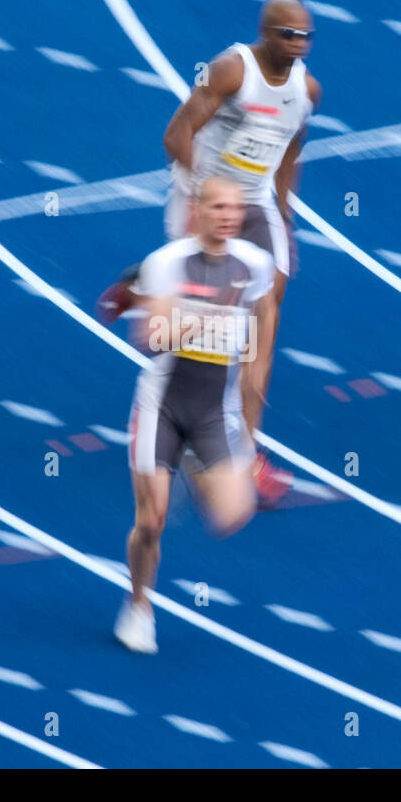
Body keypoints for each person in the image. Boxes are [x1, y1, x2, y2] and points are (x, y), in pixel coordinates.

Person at [98, 0, 322, 504]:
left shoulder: (307, 89)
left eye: (307, 37)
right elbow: (176, 133)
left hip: (257, 201)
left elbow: (290, 149)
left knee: (264, 318)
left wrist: (284, 218)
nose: (299, 45)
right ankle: (142, 286)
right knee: (194, 312)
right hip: (201, 192)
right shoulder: (229, 71)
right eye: (289, 34)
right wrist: (203, 202)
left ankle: (247, 455)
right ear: (266, 33)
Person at [114, 176, 275, 654]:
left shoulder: (254, 264)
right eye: (218, 207)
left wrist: (254, 372)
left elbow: (264, 315)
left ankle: (188, 463)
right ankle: (138, 605)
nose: (228, 216)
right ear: (198, 212)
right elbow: (151, 338)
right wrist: (207, 317)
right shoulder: (168, 263)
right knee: (151, 523)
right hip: (162, 404)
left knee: (233, 514)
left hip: (213, 408)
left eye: (235, 209)